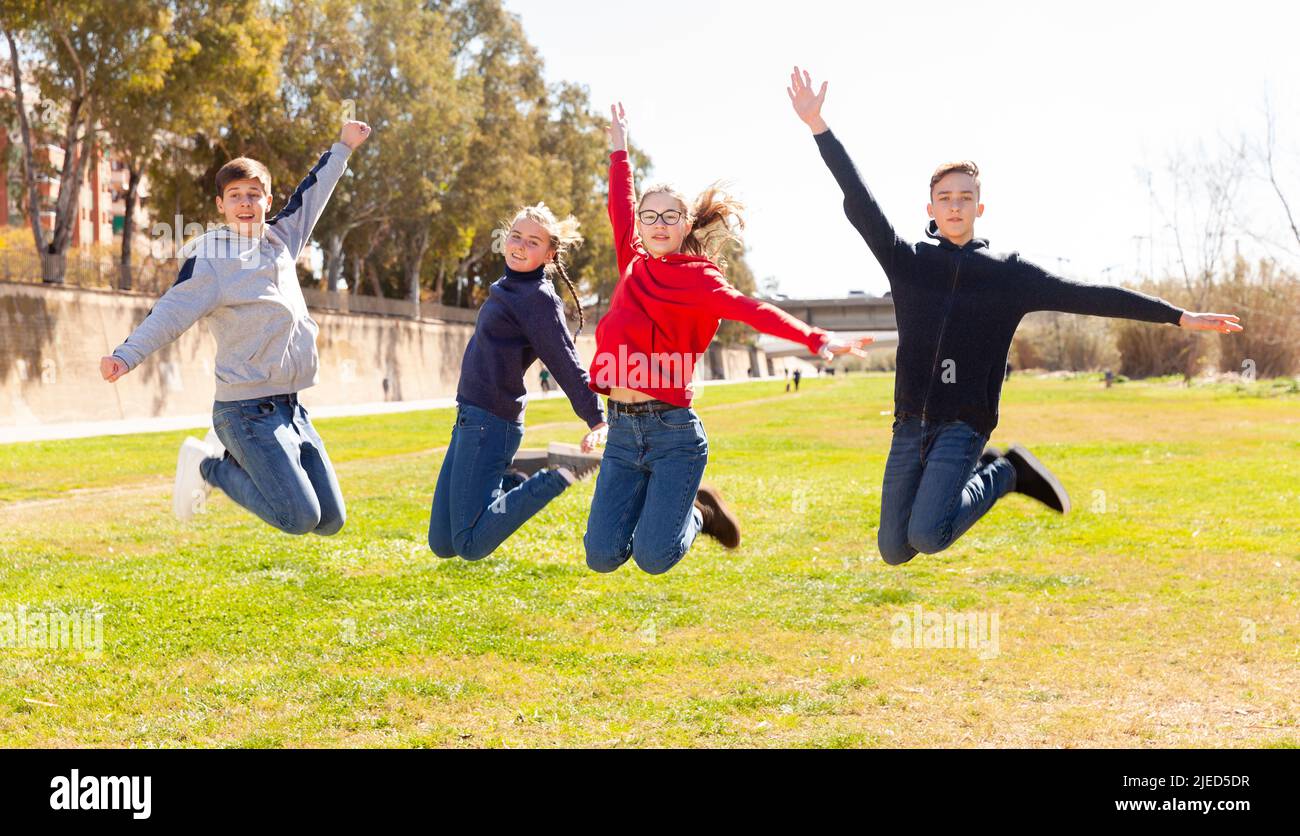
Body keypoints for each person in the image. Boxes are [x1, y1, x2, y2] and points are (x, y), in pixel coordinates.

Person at [787, 66, 1243, 566]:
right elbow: (861, 200)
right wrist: (818, 127)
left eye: (966, 198)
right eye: (945, 198)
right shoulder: (907, 261)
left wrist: (1178, 316)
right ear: (931, 207)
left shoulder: (1010, 275)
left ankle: (1005, 473)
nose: (955, 206)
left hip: (965, 421)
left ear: (980, 207)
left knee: (929, 535)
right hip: (910, 421)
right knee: (895, 550)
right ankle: (990, 471)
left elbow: (1092, 295)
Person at [582, 102, 869, 576]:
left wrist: (815, 339)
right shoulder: (632, 263)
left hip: (671, 432)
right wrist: (619, 150)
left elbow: (752, 310)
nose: (657, 224)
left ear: (686, 224)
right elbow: (618, 206)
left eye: (670, 216)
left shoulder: (700, 279)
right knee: (603, 556)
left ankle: (698, 511)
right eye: (648, 216)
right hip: (621, 432)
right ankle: (657, 507)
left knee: (654, 558)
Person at [101, 120, 373, 534]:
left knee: (331, 520)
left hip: (291, 406)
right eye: (234, 196)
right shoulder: (210, 258)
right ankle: (210, 467)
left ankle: (224, 461)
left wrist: (343, 148)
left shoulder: (282, 240)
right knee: (299, 518)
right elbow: (172, 311)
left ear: (267, 200)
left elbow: (313, 194)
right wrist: (125, 355)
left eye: (253, 195)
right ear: (221, 205)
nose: (244, 203)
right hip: (245, 410)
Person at [428, 203, 607, 561]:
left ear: (549, 254)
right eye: (516, 236)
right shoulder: (510, 286)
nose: (520, 246)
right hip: (470, 418)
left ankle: (559, 473)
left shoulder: (537, 298)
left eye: (533, 242)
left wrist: (596, 418)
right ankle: (516, 478)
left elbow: (564, 360)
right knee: (443, 542)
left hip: (490, 423)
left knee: (469, 544)